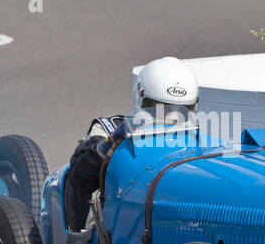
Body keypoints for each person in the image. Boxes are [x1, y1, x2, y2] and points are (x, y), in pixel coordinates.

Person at [67, 57, 200, 212]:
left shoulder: (194, 137)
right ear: (141, 98)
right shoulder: (109, 129)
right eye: (162, 108)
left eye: (183, 110)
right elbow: (78, 179)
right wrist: (111, 143)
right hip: (110, 218)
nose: (173, 117)